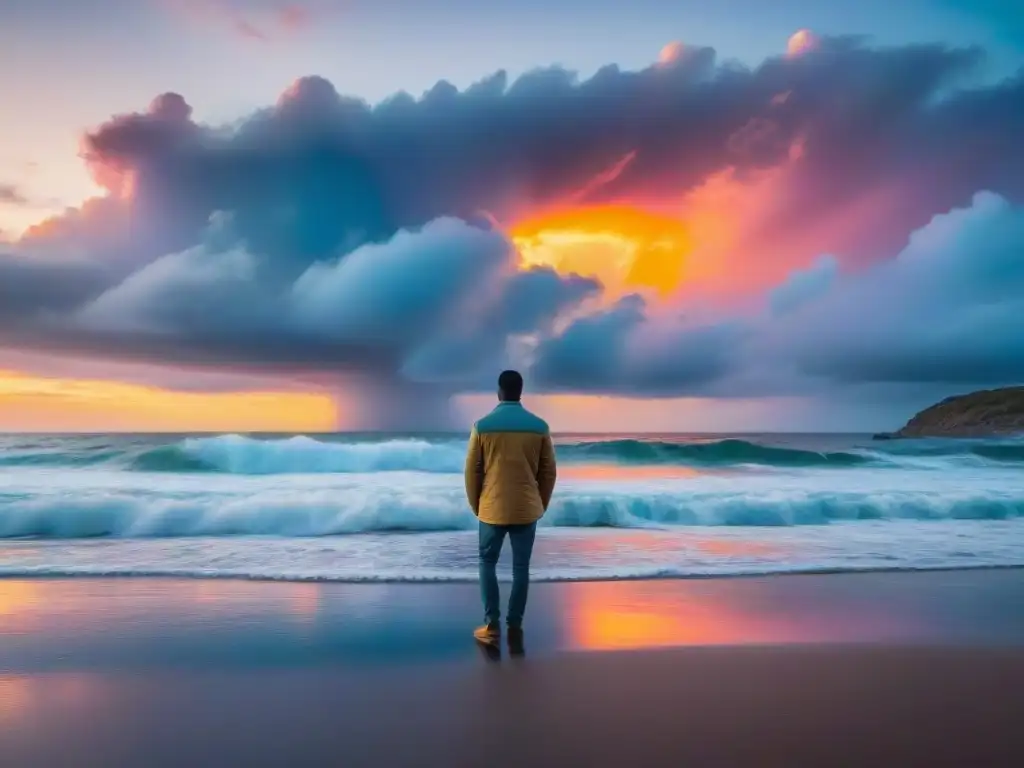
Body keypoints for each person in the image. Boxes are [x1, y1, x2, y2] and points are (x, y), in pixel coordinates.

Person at [464, 370, 557, 649]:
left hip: (491, 508)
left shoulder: (482, 426)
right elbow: (548, 472)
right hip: (526, 508)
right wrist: (540, 503)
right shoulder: (539, 427)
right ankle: (515, 624)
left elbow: (472, 471)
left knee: (487, 562)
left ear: (499, 392)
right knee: (521, 568)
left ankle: (491, 625)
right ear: (520, 391)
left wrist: (476, 504)